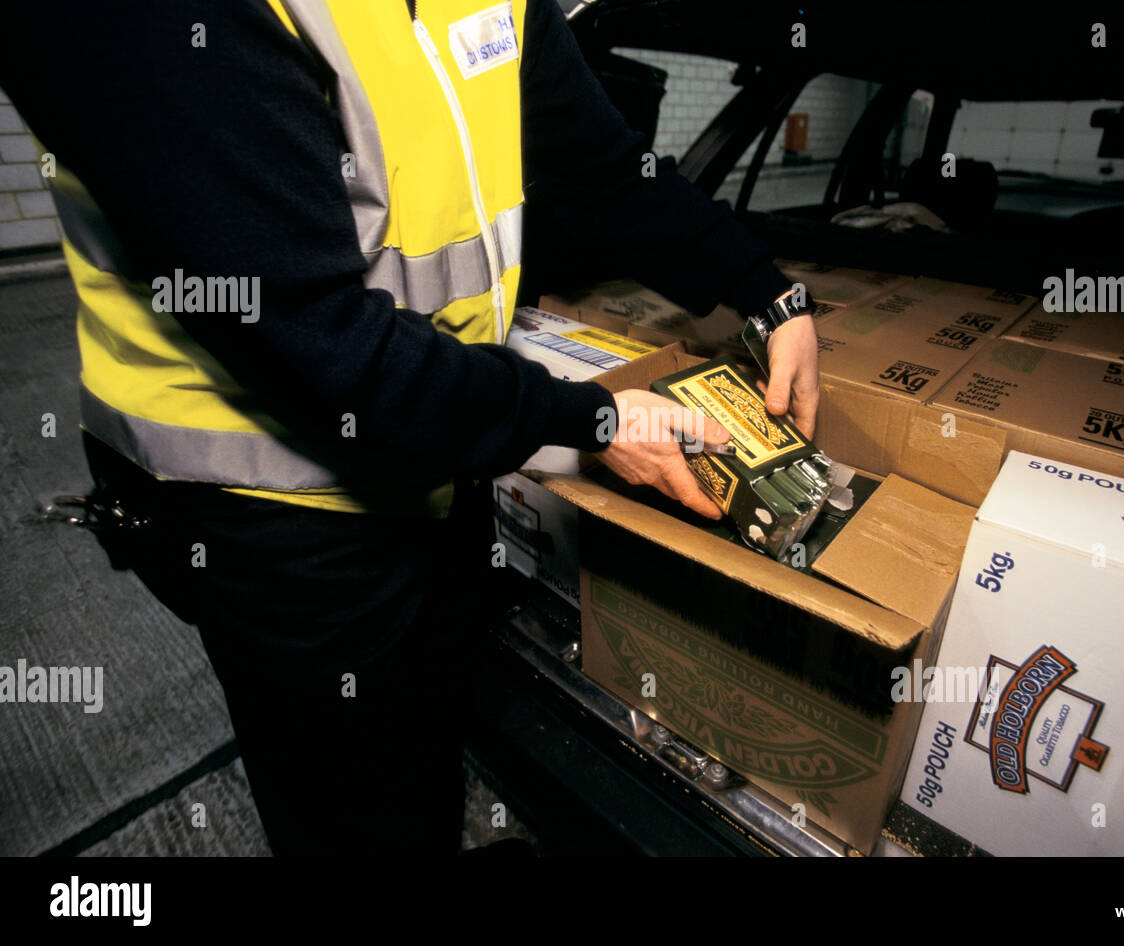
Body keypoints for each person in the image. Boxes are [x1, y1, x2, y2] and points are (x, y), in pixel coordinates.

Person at [0, 0, 819, 854]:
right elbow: (312, 337)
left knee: (422, 754)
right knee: (356, 812)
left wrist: (763, 289)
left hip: (440, 453)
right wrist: (589, 419)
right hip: (276, 514)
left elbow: (605, 168)